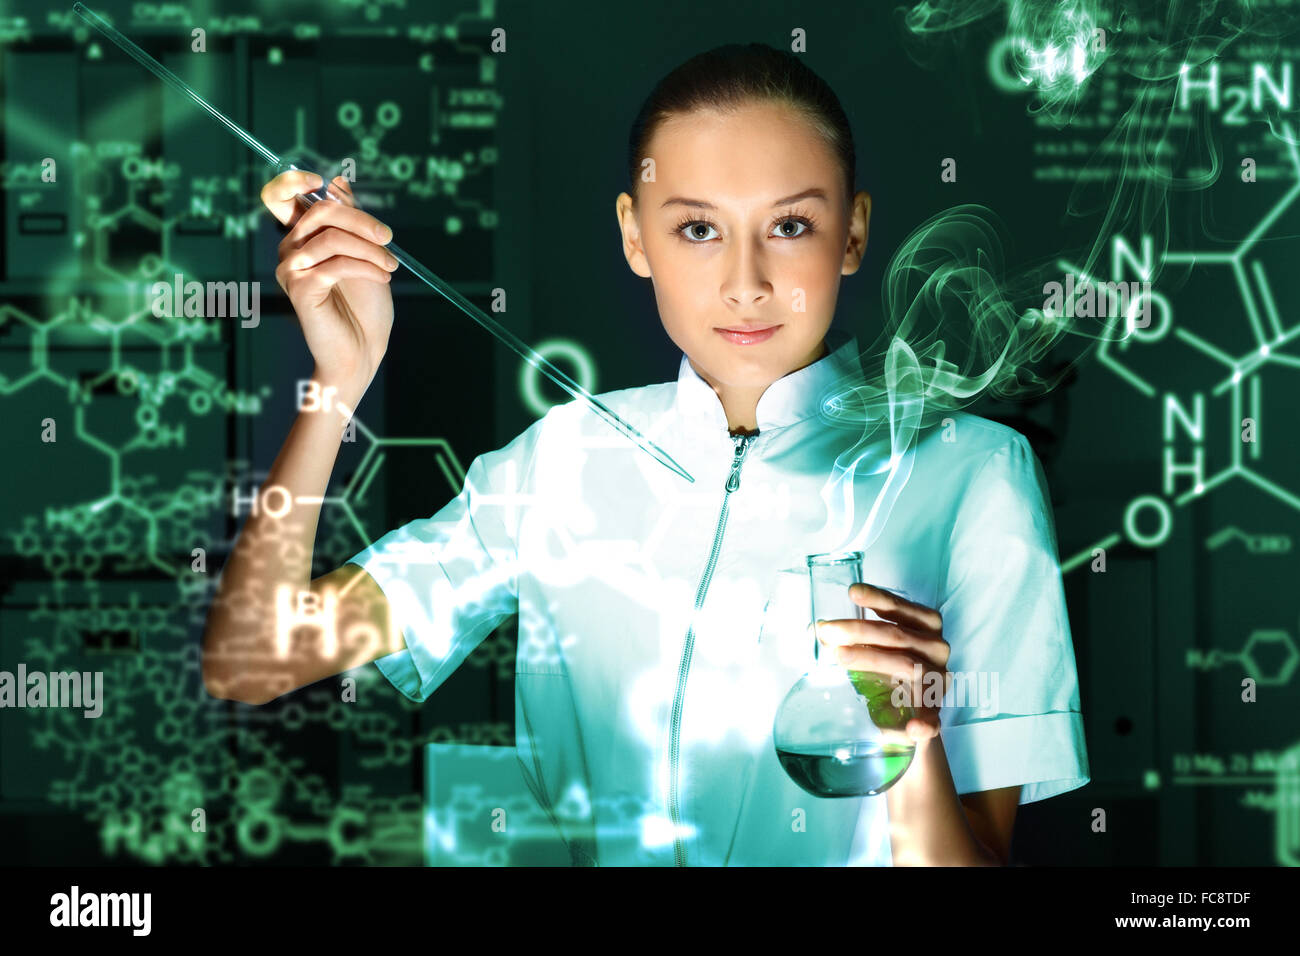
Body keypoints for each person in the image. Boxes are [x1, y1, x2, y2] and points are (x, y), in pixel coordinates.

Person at [202, 42, 1089, 866]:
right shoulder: (560, 460)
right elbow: (252, 658)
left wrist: (912, 738)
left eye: (790, 227)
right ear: (635, 236)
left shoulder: (975, 474)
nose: (746, 282)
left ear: (852, 233)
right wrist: (340, 378)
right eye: (697, 229)